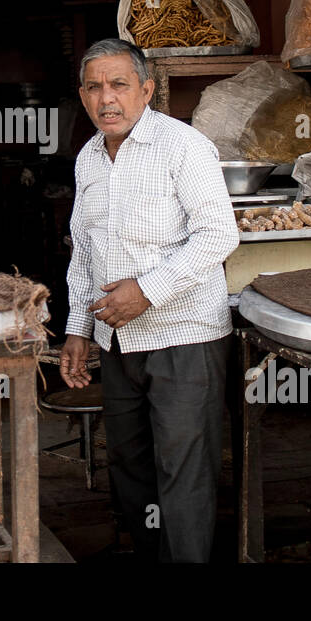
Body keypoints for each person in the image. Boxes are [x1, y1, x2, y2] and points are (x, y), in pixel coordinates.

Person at [60, 38, 239, 563]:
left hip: (184, 337)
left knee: (183, 471)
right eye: (94, 87)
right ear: (82, 95)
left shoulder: (183, 146)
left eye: (119, 85)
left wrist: (147, 290)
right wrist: (78, 328)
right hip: (117, 340)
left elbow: (217, 236)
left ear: (146, 90)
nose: (106, 98)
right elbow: (84, 252)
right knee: (131, 468)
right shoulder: (89, 158)